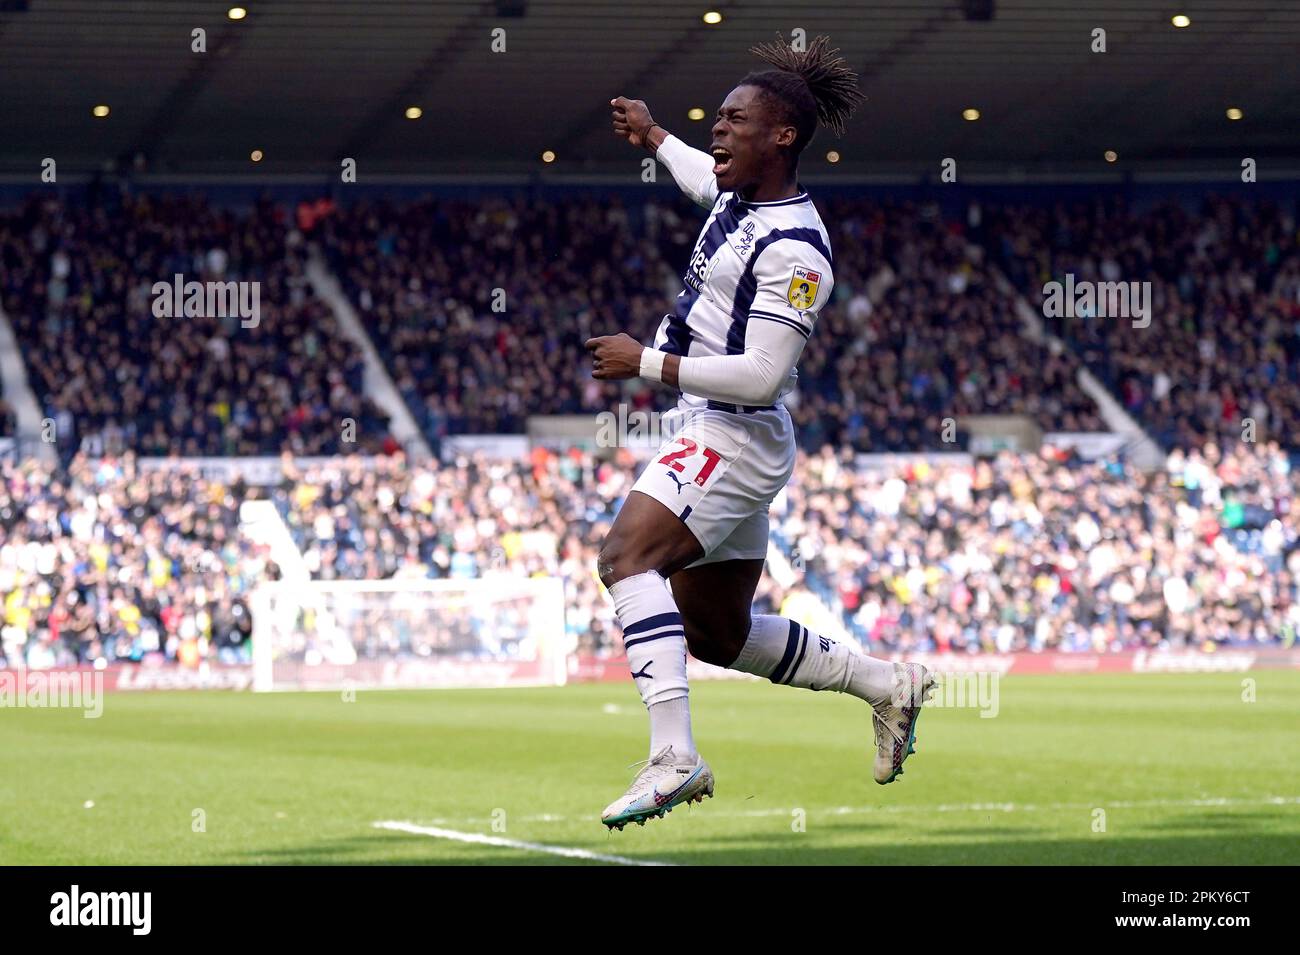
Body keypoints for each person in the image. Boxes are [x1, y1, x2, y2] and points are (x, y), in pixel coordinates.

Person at [586, 36, 933, 830]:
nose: (718, 132)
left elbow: (764, 373)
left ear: (781, 137)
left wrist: (648, 361)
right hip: (720, 431)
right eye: (716, 120)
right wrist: (652, 135)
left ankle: (673, 755)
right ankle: (886, 683)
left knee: (626, 557)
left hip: (734, 432)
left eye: (734, 121)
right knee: (716, 631)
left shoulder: (797, 247)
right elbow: (693, 174)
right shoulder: (738, 199)